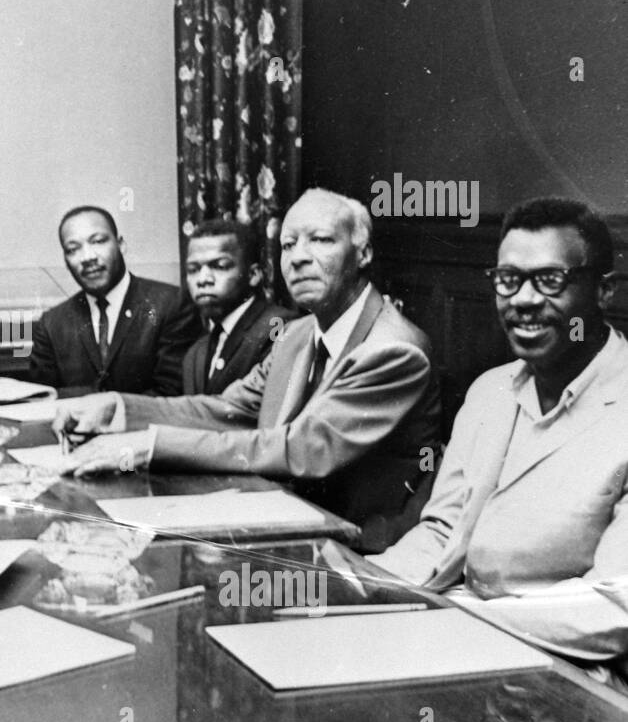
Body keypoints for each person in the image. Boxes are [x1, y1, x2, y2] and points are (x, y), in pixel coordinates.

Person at [54, 188, 440, 533]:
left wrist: (149, 446)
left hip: (362, 544)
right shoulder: (296, 334)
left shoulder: (393, 349)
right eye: (288, 246)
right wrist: (118, 408)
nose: (299, 258)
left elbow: (302, 449)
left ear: (364, 253)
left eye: (320, 240)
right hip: (287, 517)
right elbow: (226, 409)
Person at [371, 198, 628, 689]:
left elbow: (613, 606)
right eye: (508, 280)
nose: (523, 300)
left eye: (550, 280)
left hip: (571, 673)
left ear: (604, 292)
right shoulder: (491, 390)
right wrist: (366, 586)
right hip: (456, 637)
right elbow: (443, 530)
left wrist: (453, 616)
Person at [28, 206, 199, 396]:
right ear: (66, 260)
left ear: (121, 244)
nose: (88, 257)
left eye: (98, 241)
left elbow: (173, 391)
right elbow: (45, 398)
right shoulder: (52, 323)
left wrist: (106, 410)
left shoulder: (171, 304)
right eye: (73, 249)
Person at [180, 219, 296, 394]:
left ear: (253, 275)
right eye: (193, 269)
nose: (203, 279)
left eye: (220, 266)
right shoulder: (196, 353)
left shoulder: (279, 325)